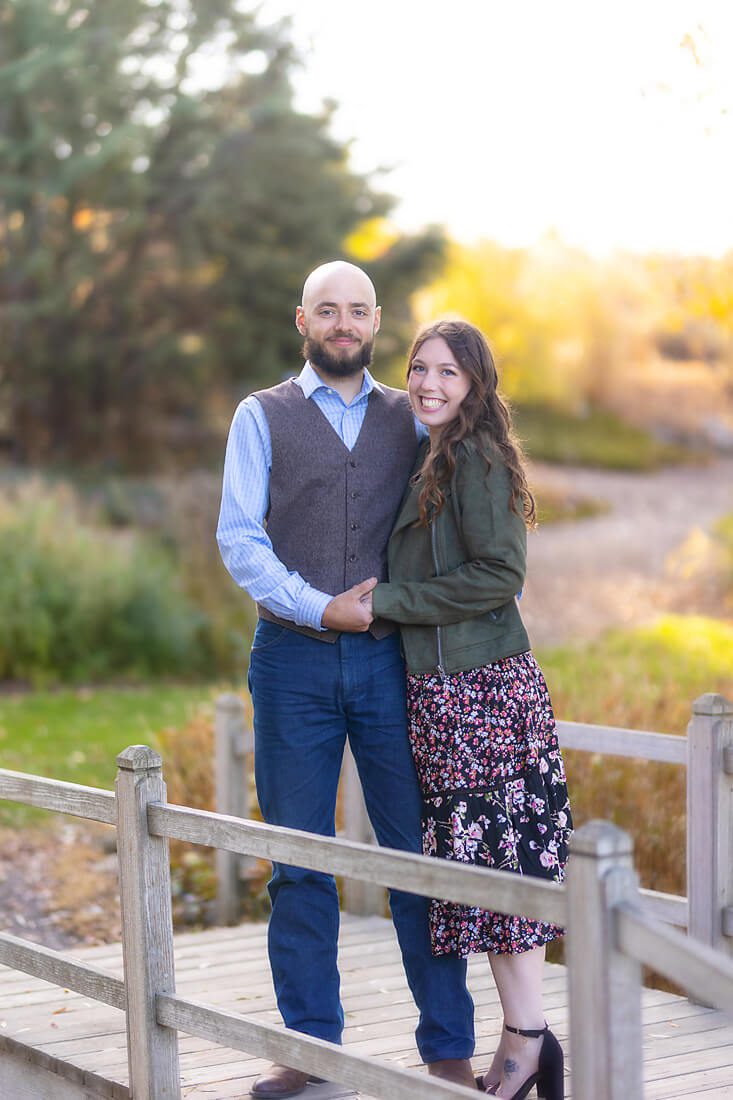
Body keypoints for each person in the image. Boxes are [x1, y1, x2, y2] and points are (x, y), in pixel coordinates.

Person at [216, 263, 476, 1099]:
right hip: (289, 661)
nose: (342, 323)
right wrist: (316, 607)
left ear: (375, 321)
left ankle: (448, 1047)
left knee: (417, 855)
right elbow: (239, 538)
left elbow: (466, 511)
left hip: (390, 662)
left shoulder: (414, 416)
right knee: (298, 860)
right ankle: (308, 1046)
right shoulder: (260, 415)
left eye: (356, 311)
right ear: (302, 318)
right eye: (327, 310)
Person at [359, 319, 573, 1100]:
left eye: (448, 372)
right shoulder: (430, 456)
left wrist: (388, 600)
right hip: (444, 695)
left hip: (484, 691)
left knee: (502, 872)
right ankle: (531, 1039)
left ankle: (523, 1040)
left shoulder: (475, 456)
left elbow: (498, 574)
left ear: (476, 385)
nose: (428, 384)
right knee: (484, 876)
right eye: (419, 368)